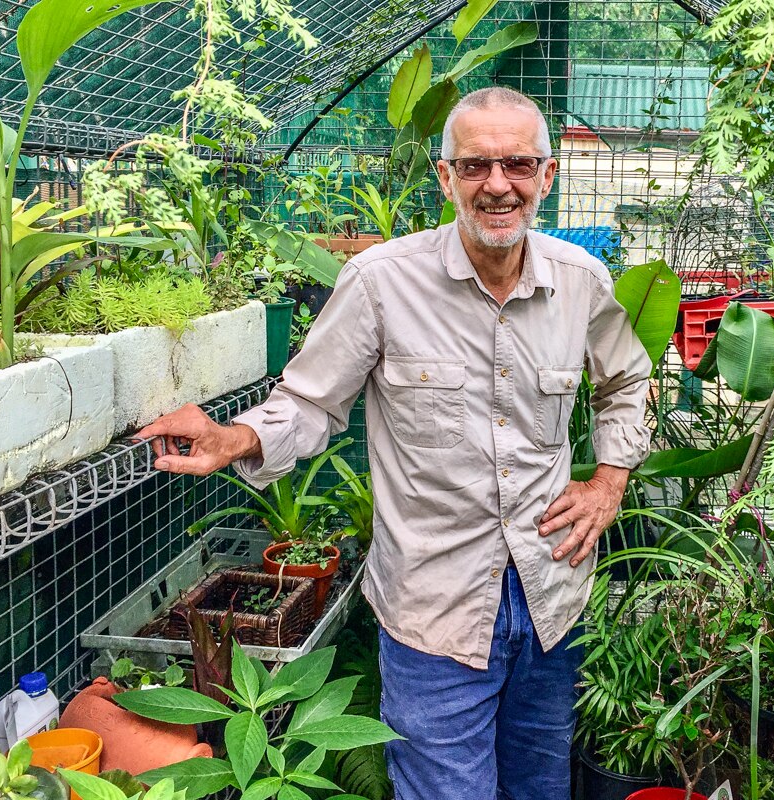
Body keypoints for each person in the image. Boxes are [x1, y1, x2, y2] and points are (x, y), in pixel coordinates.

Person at [136, 86, 652, 799]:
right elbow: (312, 403)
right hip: (433, 611)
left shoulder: (582, 284)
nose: (497, 185)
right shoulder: (380, 283)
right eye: (474, 167)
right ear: (446, 178)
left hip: (551, 599)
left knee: (539, 786)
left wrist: (609, 481)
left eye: (517, 165)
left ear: (548, 176)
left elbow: (628, 380)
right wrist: (236, 438)